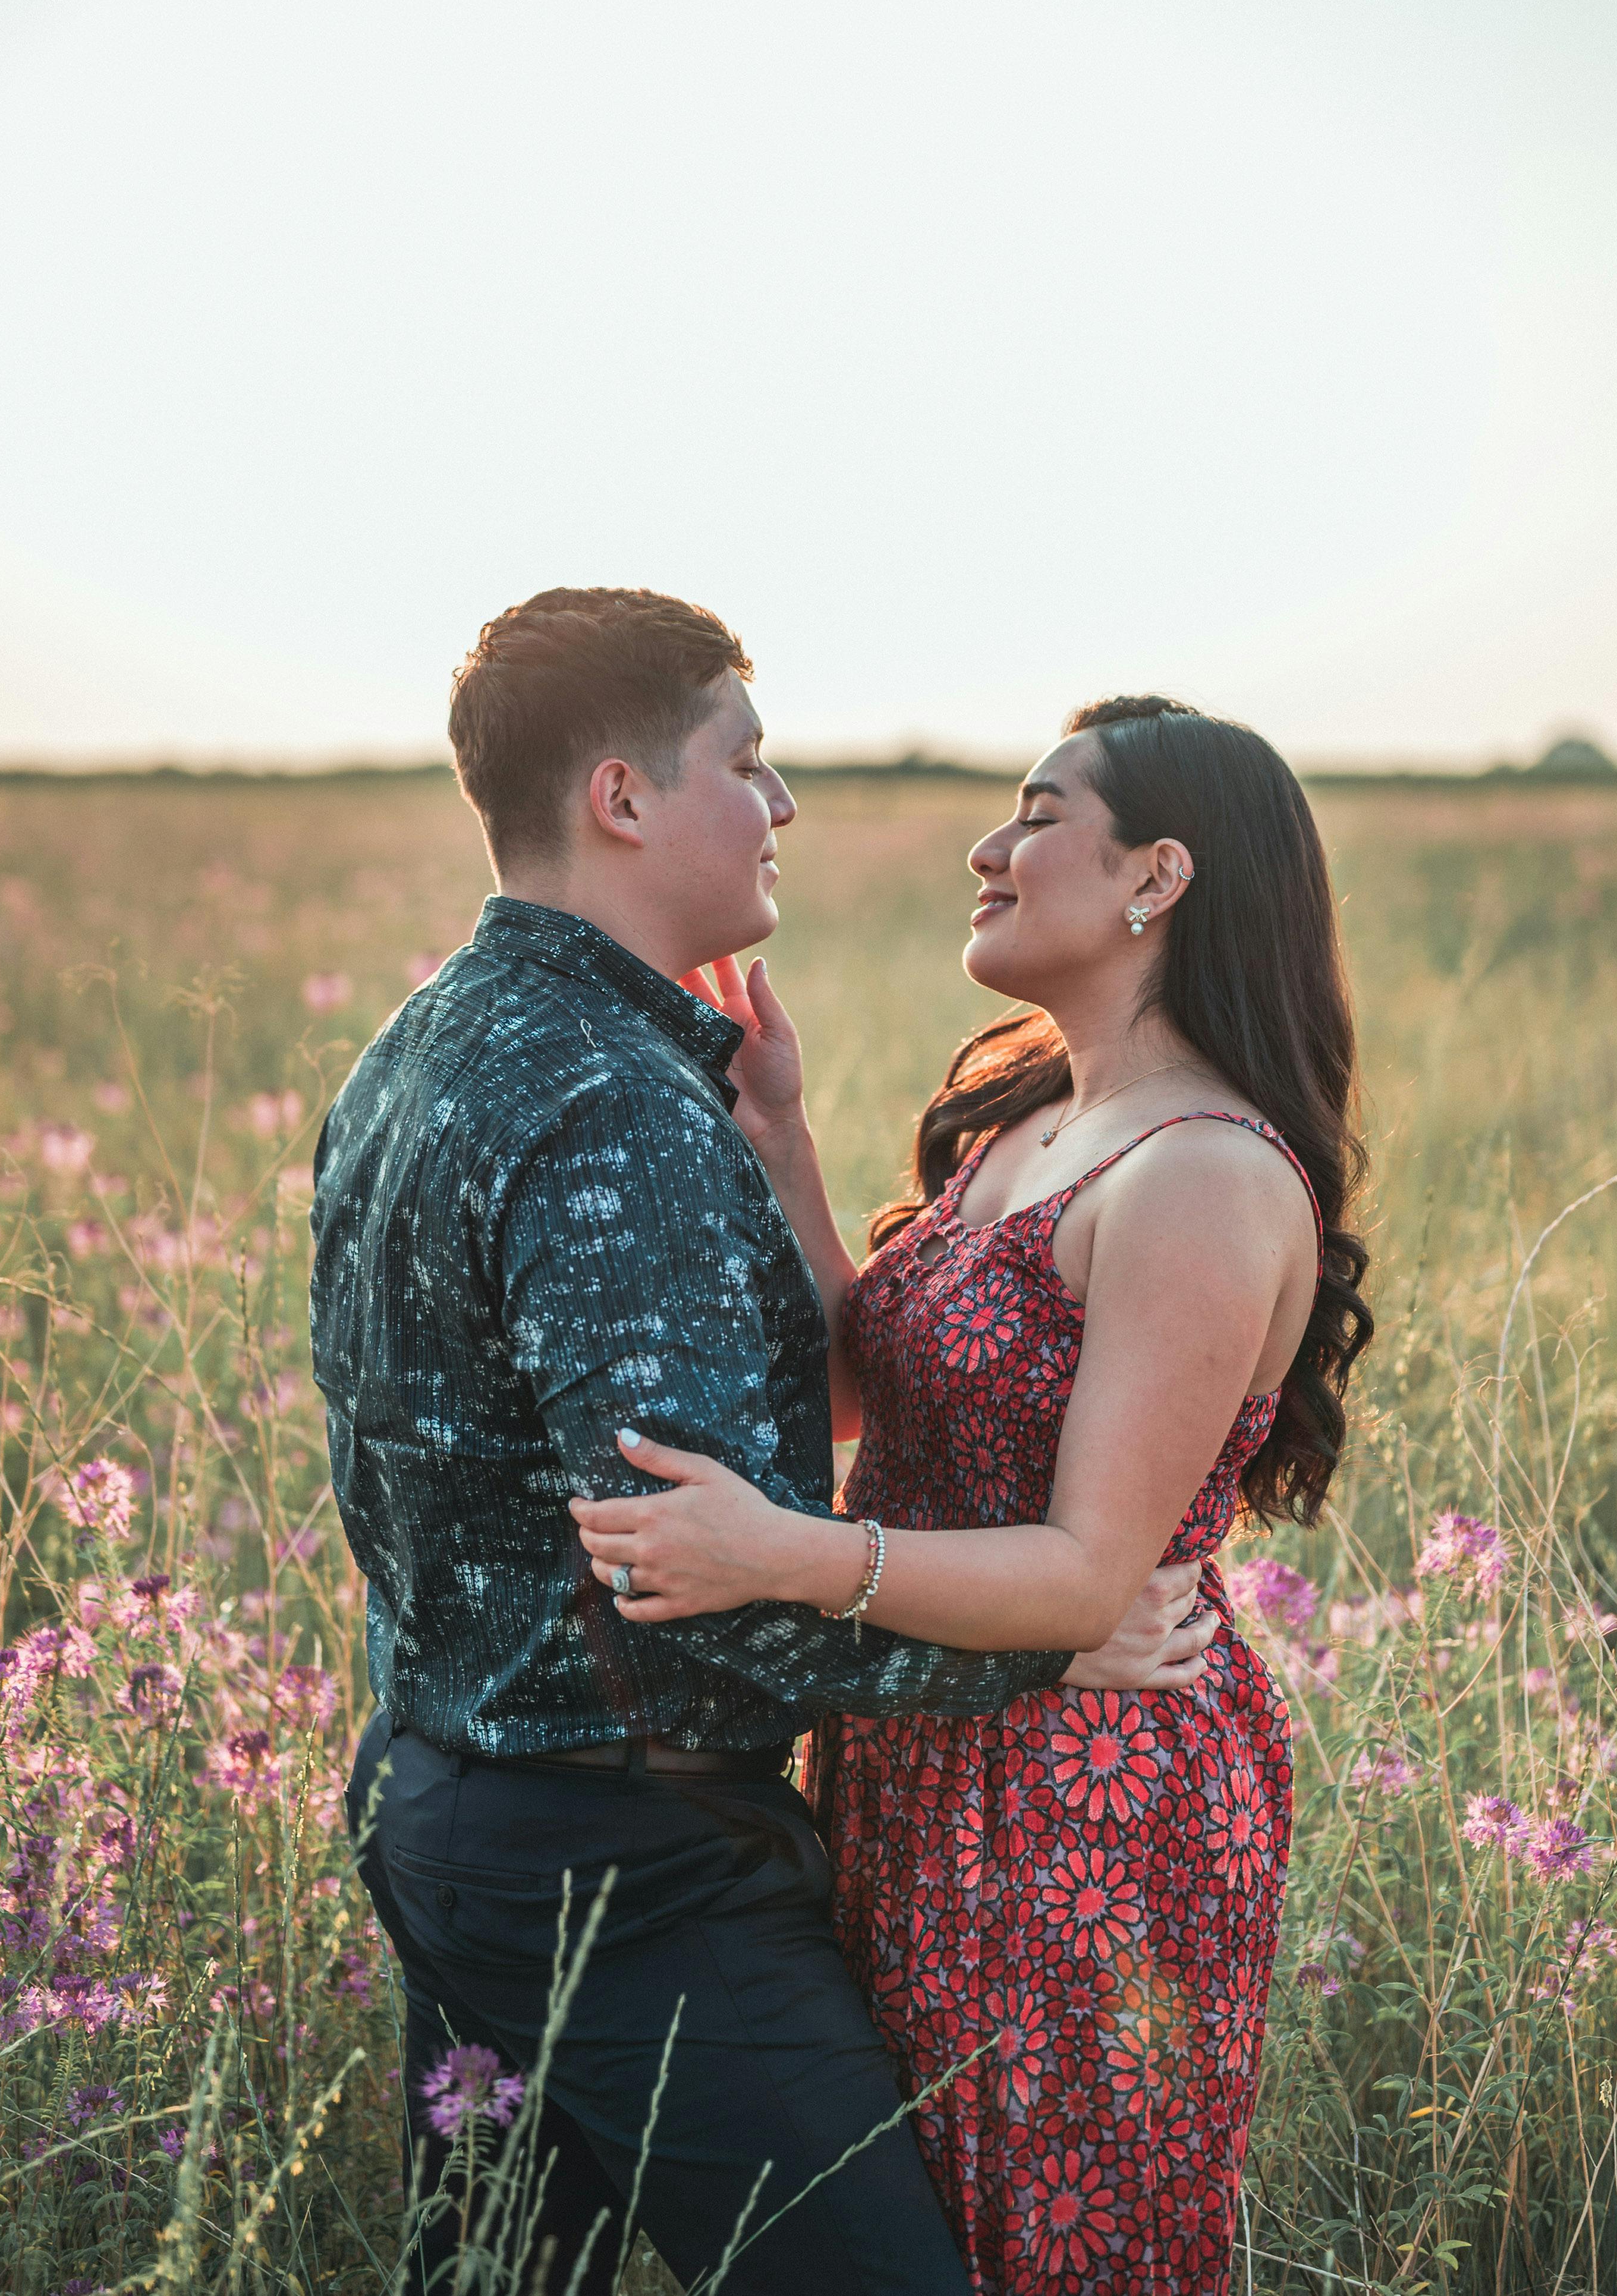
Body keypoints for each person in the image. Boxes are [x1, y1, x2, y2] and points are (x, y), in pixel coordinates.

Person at [310, 593, 1215, 2296]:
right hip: (624, 1862)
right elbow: (692, 1573)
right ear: (621, 798)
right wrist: (1044, 1655)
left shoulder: (414, 1050)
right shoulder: (610, 1106)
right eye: (746, 758)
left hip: (443, 1800)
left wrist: (784, 1139)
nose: (783, 799)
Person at [571, 695, 1374, 2296]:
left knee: (1047, 2236)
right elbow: (863, 1384)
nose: (985, 848)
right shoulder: (1031, 1119)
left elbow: (1088, 1577)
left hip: (1087, 1788)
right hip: (927, 1743)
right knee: (907, 2229)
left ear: (1156, 875)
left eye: (1034, 812)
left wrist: (771, 1554)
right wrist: (784, 1134)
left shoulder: (1201, 1174)